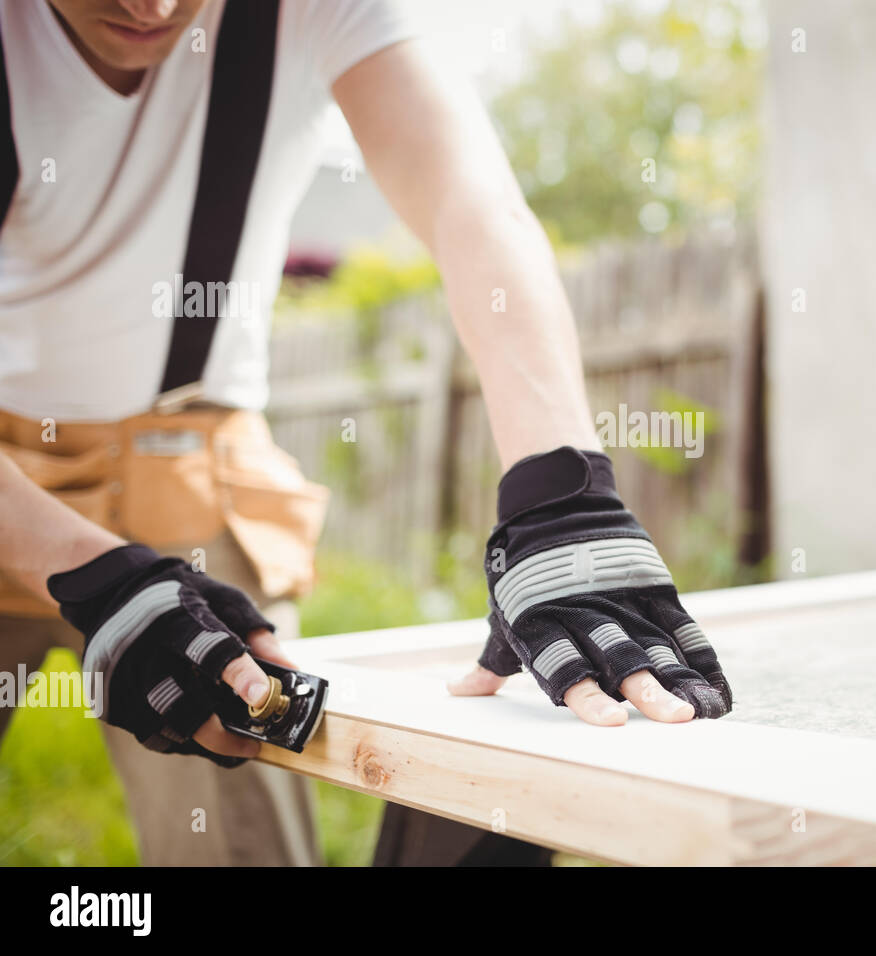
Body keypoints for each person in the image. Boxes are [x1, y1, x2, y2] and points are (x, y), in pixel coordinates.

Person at [0, 0, 732, 866]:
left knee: (234, 822)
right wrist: (90, 569)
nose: (153, 5)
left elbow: (475, 203)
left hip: (187, 474)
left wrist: (560, 490)